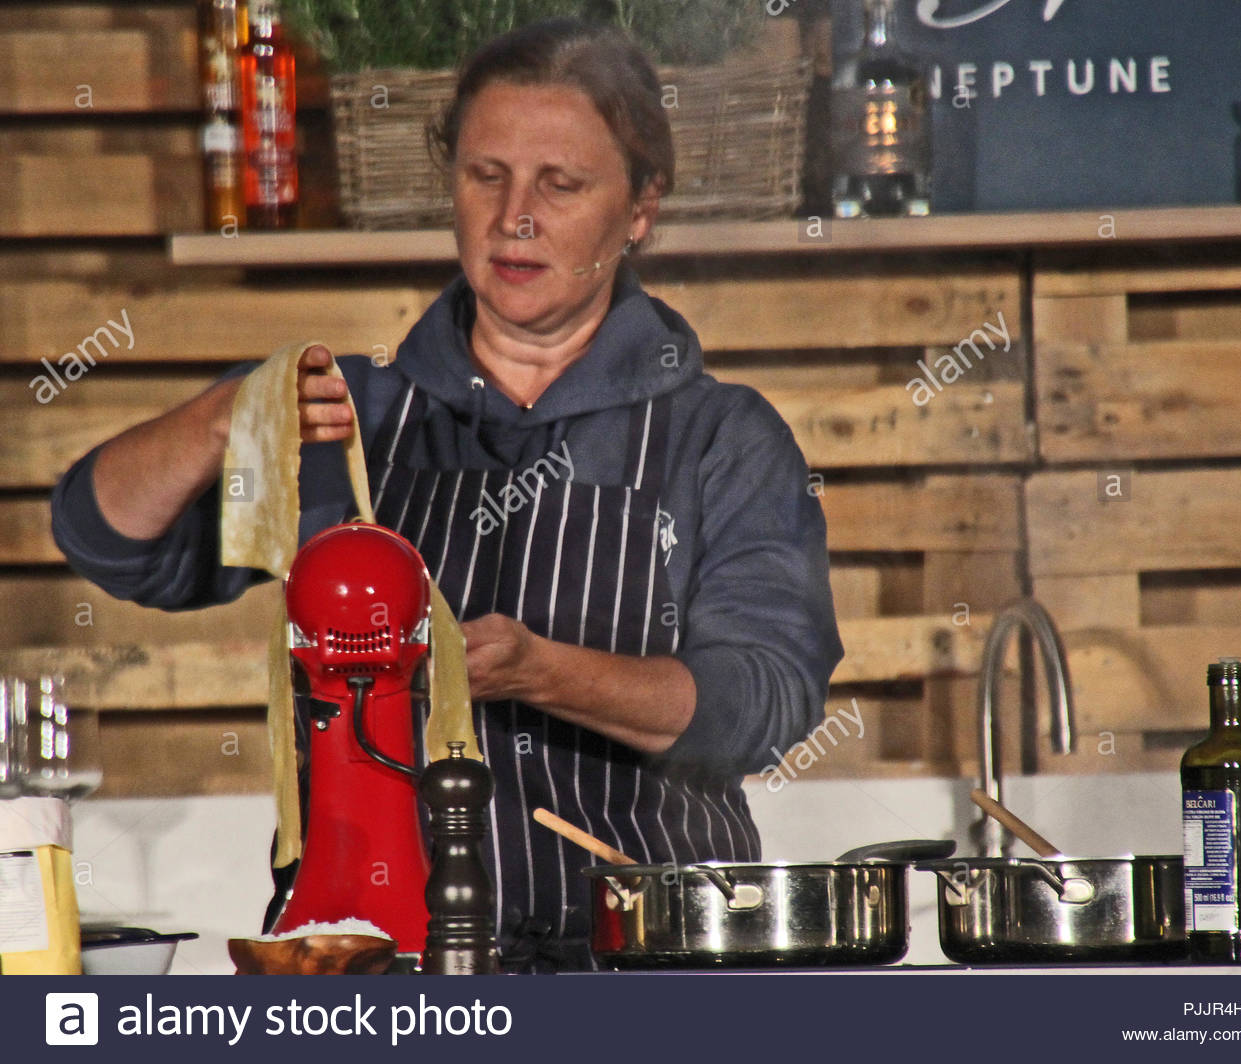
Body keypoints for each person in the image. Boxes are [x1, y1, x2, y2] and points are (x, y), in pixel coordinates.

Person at [51, 17, 843, 970]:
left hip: (650, 974)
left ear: (640, 210)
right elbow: (108, 537)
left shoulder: (723, 437)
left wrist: (536, 671)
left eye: (562, 184)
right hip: (382, 979)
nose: (517, 216)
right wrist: (226, 415)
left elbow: (763, 703)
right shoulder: (355, 418)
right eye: (487, 175)